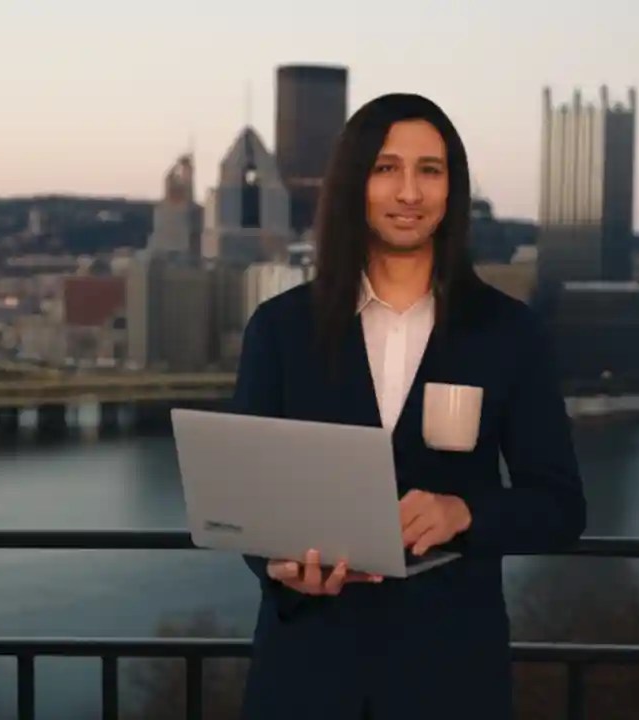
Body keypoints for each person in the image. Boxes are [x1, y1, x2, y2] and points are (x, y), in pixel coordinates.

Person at [229, 92, 586, 720]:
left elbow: (559, 507)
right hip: (305, 675)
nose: (409, 192)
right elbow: (246, 505)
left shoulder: (509, 333)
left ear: (453, 190)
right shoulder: (278, 329)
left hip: (450, 678)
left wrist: (463, 512)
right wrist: (279, 567)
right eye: (386, 168)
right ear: (354, 185)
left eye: (430, 170)